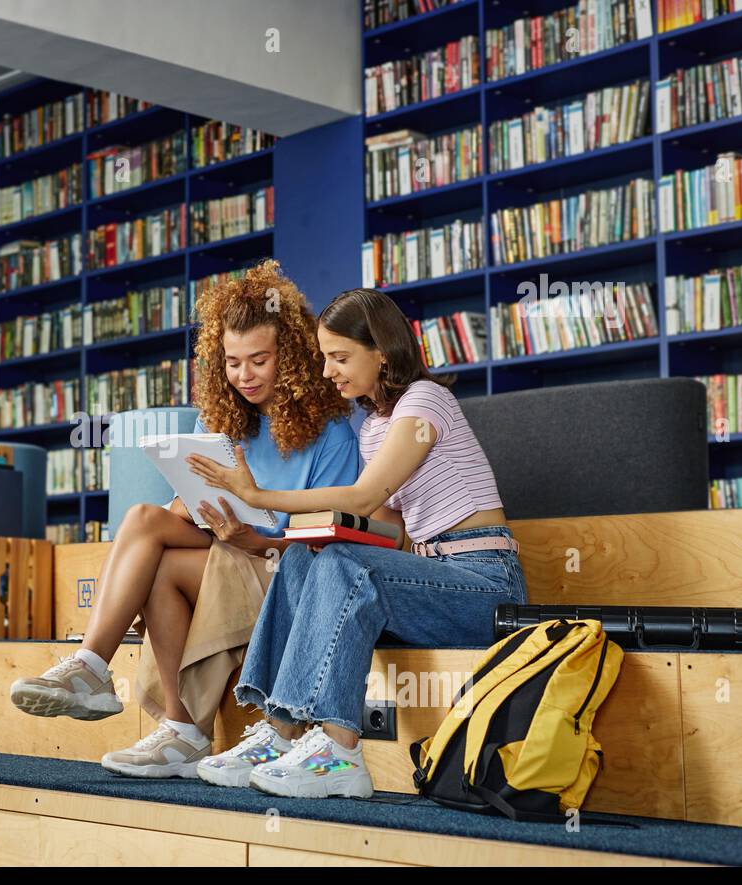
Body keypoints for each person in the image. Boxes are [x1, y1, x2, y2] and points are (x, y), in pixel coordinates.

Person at [8, 260, 360, 778]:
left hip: (285, 571)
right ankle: (99, 672)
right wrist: (195, 506)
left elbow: (326, 551)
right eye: (233, 362)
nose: (244, 376)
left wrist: (248, 537)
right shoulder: (220, 420)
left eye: (259, 360)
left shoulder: (332, 435)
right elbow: (188, 509)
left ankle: (167, 720)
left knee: (159, 560)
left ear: (291, 357)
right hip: (225, 549)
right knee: (146, 521)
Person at [186, 287, 528, 798]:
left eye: (340, 357)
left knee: (346, 563)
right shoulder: (374, 427)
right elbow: (387, 532)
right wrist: (317, 540)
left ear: (382, 352)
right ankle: (279, 731)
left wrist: (256, 495)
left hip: (485, 584)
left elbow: (366, 496)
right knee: (303, 560)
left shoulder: (425, 401)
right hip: (430, 576)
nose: (328, 372)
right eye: (326, 358)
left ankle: (339, 750)